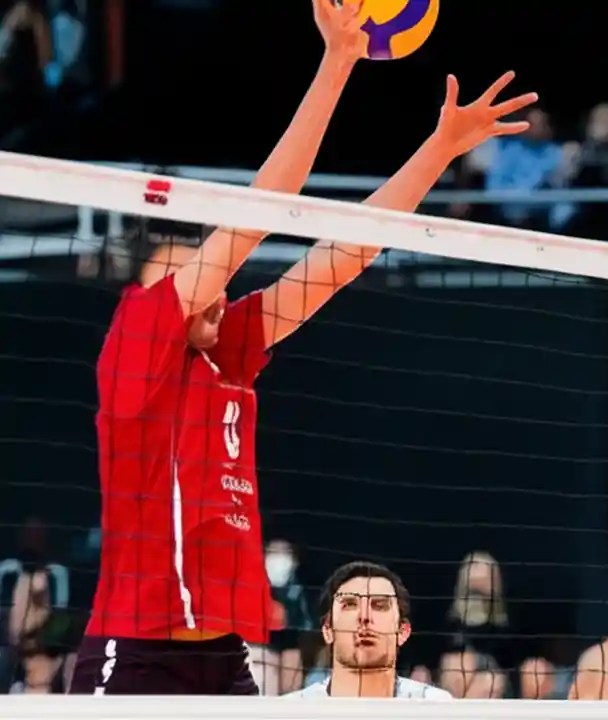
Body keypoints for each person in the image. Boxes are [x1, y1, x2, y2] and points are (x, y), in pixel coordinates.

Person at [69, 0, 538, 695]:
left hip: (225, 656)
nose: (199, 280)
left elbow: (345, 254)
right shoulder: (135, 339)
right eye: (179, 273)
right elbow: (264, 209)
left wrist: (437, 149)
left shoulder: (230, 350)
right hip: (136, 654)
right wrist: (337, 63)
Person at [286, 562, 451, 699]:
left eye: (379, 605)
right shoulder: (289, 711)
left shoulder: (436, 707)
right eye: (350, 605)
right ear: (328, 630)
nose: (364, 617)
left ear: (403, 632)